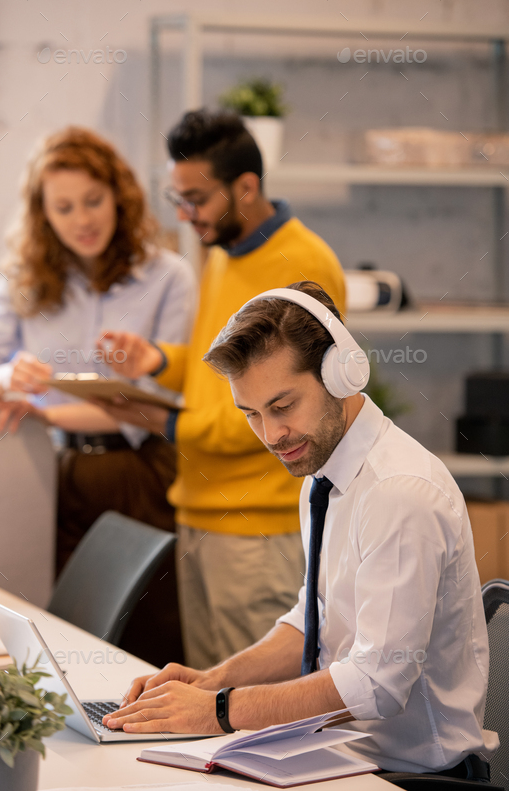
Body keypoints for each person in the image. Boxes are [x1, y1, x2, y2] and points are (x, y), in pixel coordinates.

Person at [102, 280, 499, 778]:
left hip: (412, 778)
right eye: (252, 414)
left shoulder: (399, 493)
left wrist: (220, 710)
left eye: (283, 406)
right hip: (340, 757)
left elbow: (377, 684)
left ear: (342, 374)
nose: (271, 435)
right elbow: (313, 621)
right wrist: (212, 681)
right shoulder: (323, 469)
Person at [96, 110, 346, 669]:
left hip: (255, 531)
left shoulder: (302, 264)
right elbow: (224, 373)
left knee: (256, 706)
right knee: (212, 700)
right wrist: (158, 360)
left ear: (247, 187)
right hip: (202, 516)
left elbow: (285, 411)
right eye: (177, 198)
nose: (184, 215)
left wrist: (161, 422)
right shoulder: (223, 254)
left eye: (196, 199)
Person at [0, 126, 196, 667]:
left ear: (119, 195)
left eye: (93, 200)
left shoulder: (168, 276)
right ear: (42, 213)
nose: (82, 220)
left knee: (147, 635)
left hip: (139, 472)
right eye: (63, 207)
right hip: (51, 473)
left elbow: (150, 408)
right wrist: (8, 377)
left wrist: (43, 412)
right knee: (58, 636)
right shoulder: (24, 278)